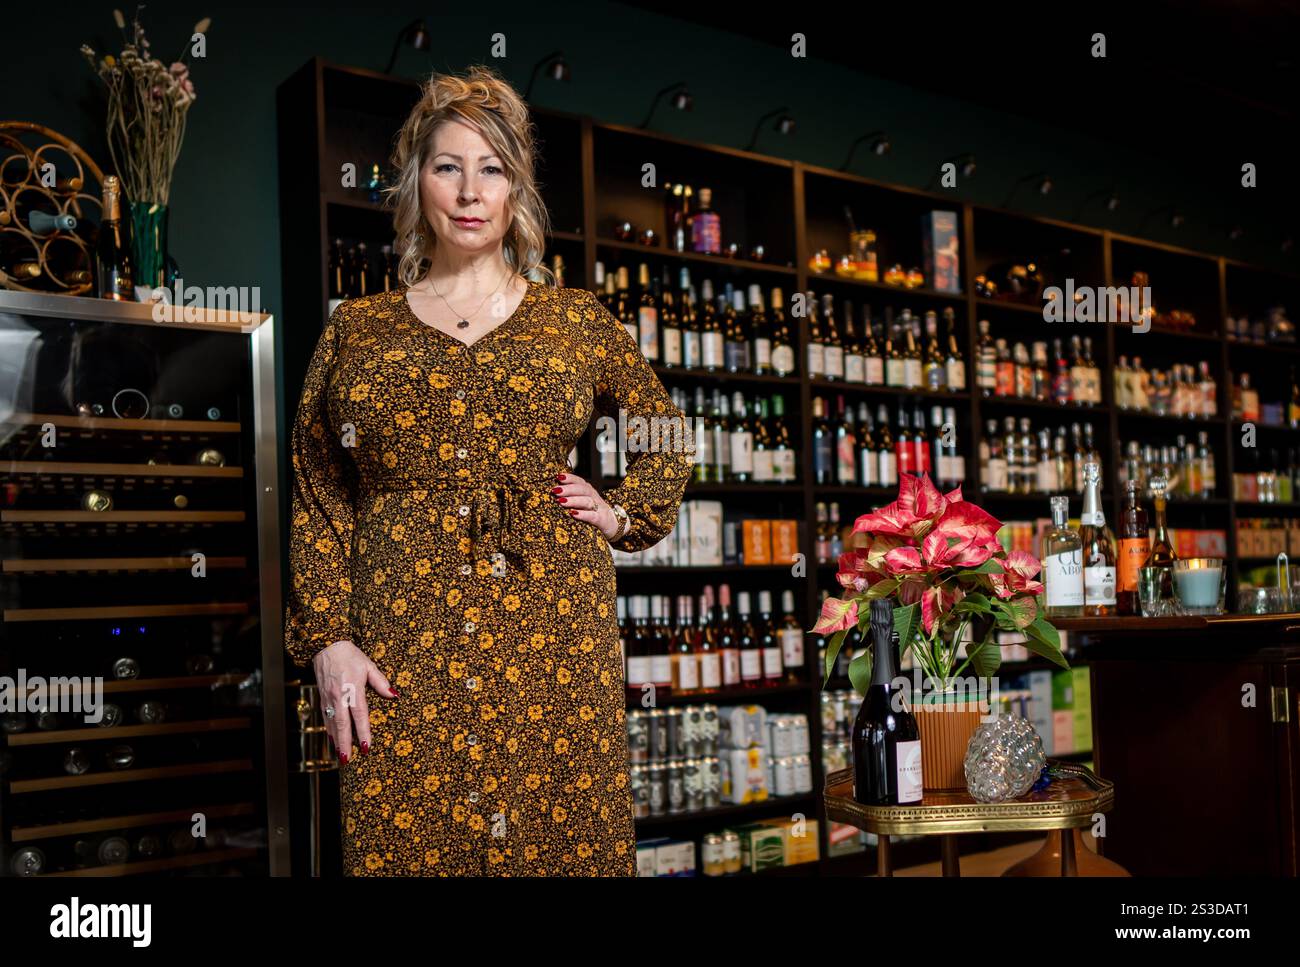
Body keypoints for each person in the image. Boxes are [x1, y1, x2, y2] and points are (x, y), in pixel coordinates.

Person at [283, 64, 692, 876]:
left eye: (492, 168)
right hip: (399, 639)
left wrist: (621, 512)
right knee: (406, 844)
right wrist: (329, 638)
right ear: (416, 184)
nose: (470, 192)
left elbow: (664, 430)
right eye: (448, 166)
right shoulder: (357, 329)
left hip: (554, 632)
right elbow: (316, 486)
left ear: (516, 192)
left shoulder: (577, 320)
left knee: (559, 841)